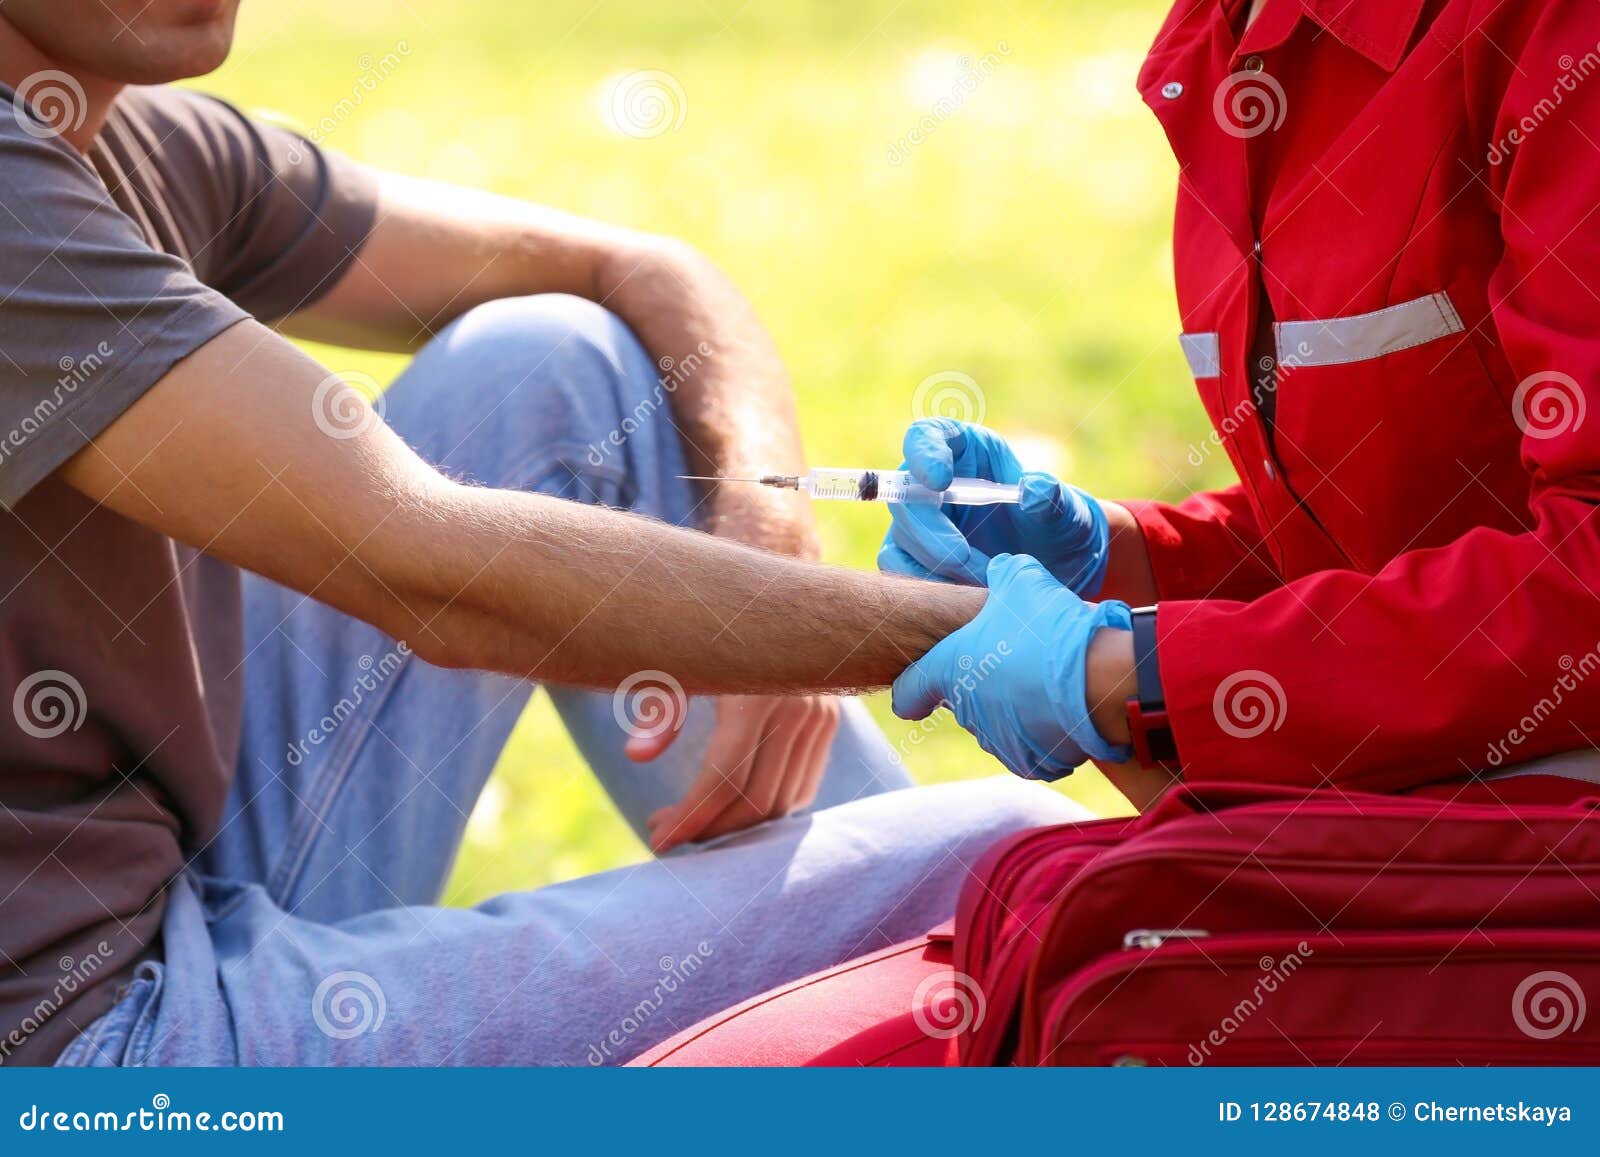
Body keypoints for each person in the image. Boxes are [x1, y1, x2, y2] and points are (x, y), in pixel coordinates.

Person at [0, 1, 1085, 1066]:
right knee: (993, 861)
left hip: (169, 887)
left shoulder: (135, 138)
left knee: (547, 360)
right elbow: (430, 573)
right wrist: (1041, 644)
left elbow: (644, 269)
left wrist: (766, 542)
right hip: (91, 1044)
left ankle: (850, 930)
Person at [884, 0, 1600, 811]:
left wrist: (1135, 670)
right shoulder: (1218, 42)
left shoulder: (1557, 35)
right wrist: (1124, 559)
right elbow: (1380, 524)